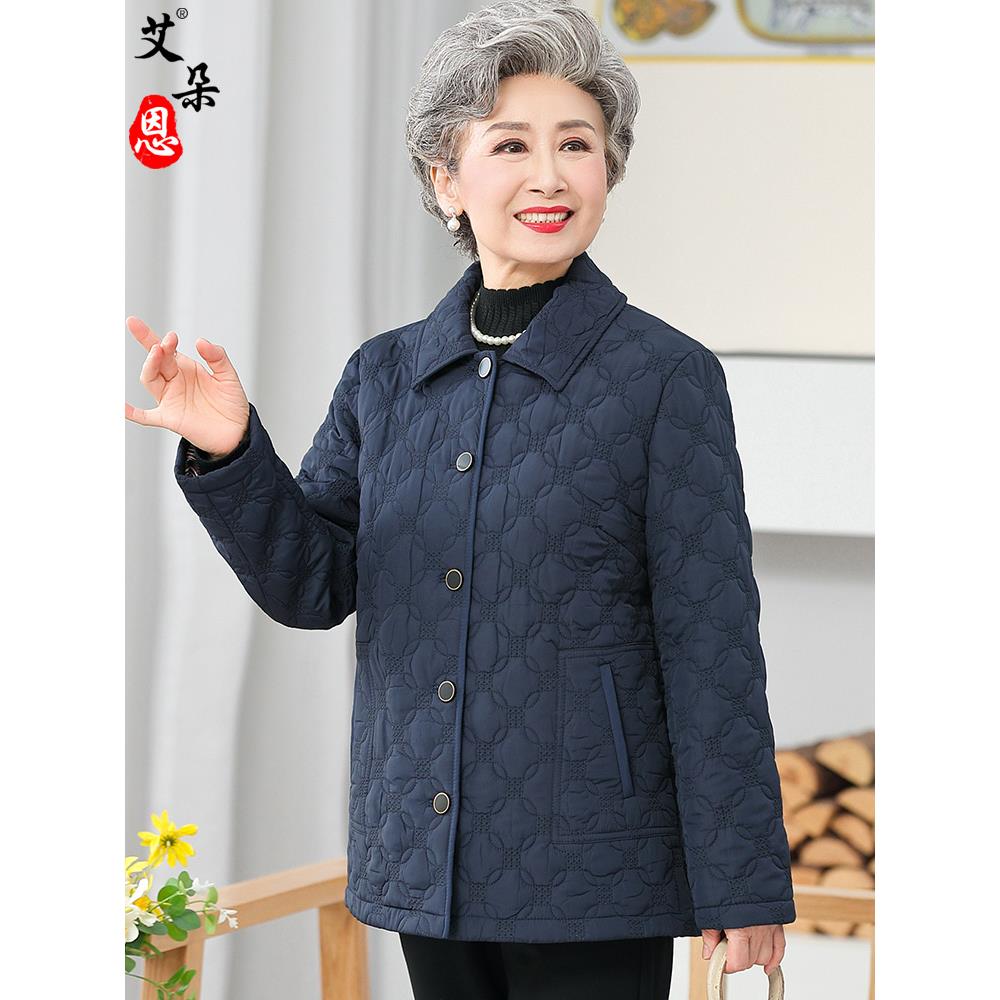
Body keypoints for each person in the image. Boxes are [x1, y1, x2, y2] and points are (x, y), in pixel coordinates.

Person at [125, 2, 795, 997]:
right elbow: (313, 585)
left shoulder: (665, 378)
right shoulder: (384, 376)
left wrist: (744, 880)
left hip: (595, 866)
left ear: (608, 169)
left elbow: (712, 643)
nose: (550, 175)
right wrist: (230, 453)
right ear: (447, 178)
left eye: (577, 144)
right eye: (511, 144)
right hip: (420, 847)